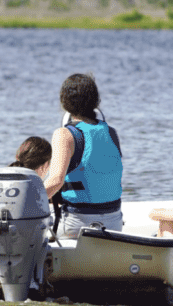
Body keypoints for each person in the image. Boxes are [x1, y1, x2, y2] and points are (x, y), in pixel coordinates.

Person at [42, 73, 123, 239]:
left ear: (64, 103)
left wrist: (26, 201)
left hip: (77, 223)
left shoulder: (64, 134)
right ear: (96, 101)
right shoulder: (111, 133)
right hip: (114, 222)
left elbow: (56, 181)